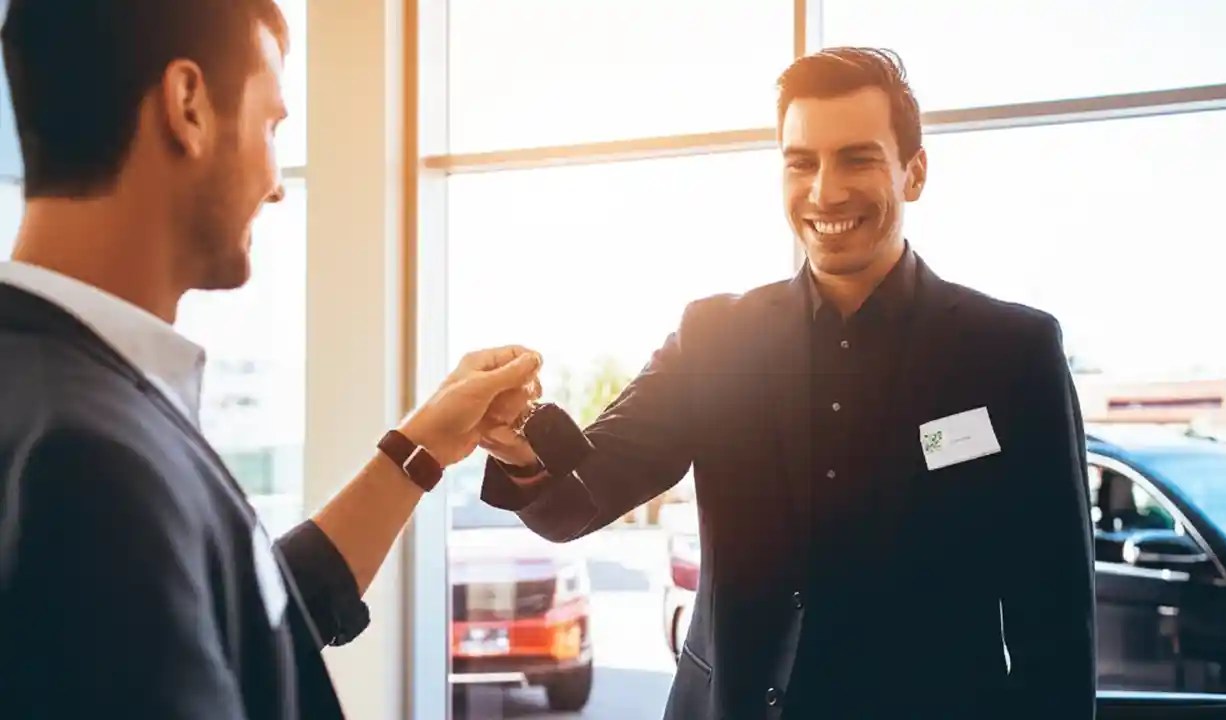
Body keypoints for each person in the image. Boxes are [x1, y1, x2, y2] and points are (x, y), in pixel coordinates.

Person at [480, 48, 1096, 720]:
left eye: (857, 159)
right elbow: (578, 500)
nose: (825, 192)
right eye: (801, 162)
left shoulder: (1011, 353)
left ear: (913, 173)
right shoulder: (715, 335)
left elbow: (1056, 623)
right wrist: (520, 449)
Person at [0, 1, 542, 718]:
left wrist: (421, 447)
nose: (277, 182)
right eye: (271, 125)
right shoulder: (91, 462)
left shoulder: (57, 397)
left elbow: (236, 625)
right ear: (187, 105)